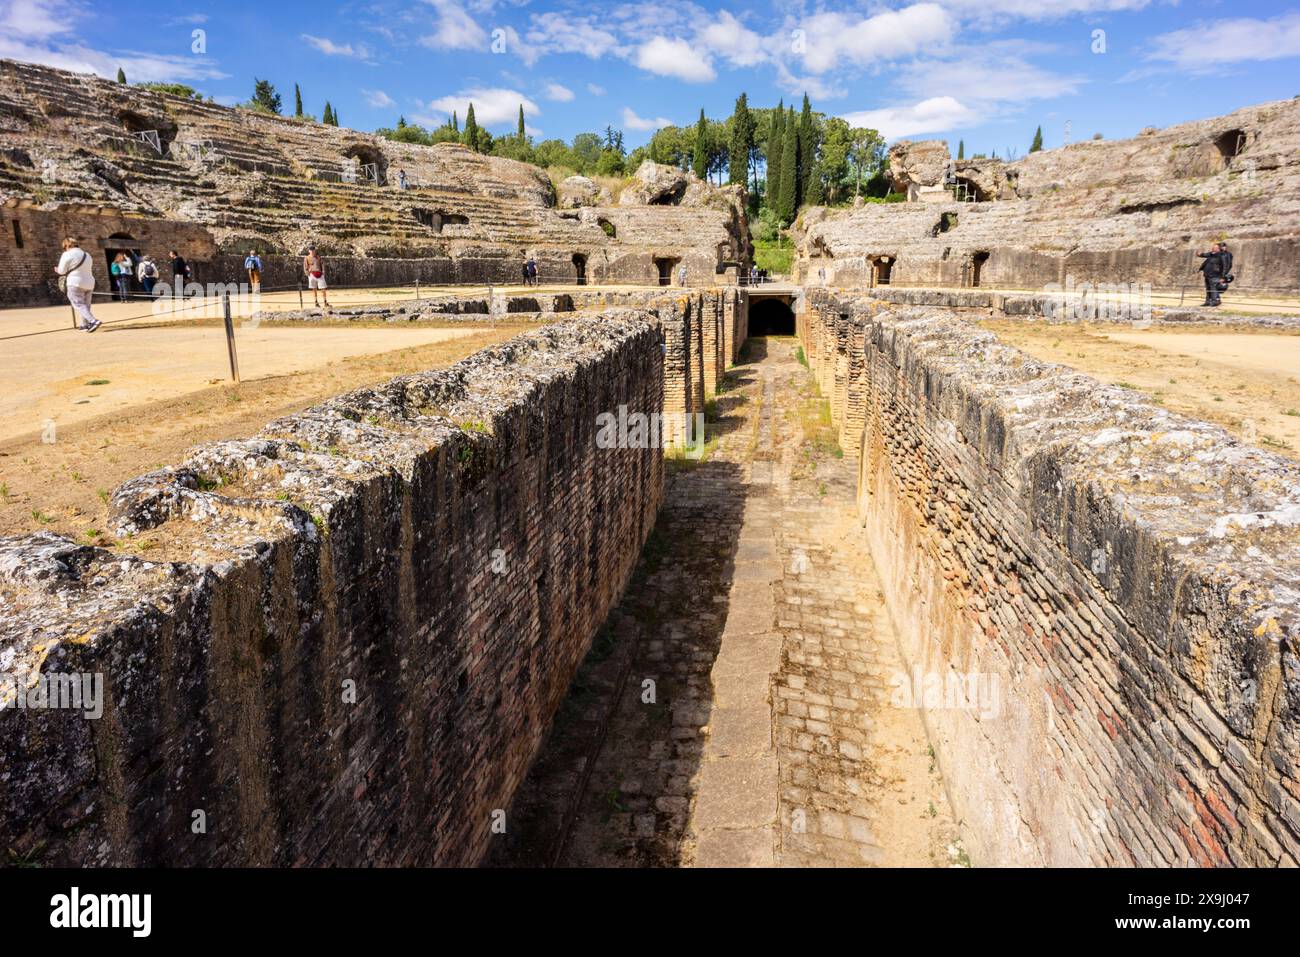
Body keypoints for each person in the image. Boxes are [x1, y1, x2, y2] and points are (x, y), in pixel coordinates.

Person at [55, 237, 100, 333]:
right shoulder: (87, 255)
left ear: (67, 246)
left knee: (78, 304)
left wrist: (57, 270)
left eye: (64, 247)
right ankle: (84, 325)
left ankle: (93, 321)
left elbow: (62, 271)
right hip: (89, 282)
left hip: (75, 282)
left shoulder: (67, 254)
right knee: (86, 305)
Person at [1197, 241, 1225, 307]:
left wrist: (1223, 277)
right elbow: (1205, 254)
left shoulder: (1222, 256)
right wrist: (1200, 254)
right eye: (1213, 247)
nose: (1213, 248)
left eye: (1215, 247)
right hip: (1207, 275)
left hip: (1215, 275)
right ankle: (1208, 301)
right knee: (1208, 288)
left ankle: (1215, 301)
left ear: (1219, 249)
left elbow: (1225, 267)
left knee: (1213, 288)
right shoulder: (1211, 254)